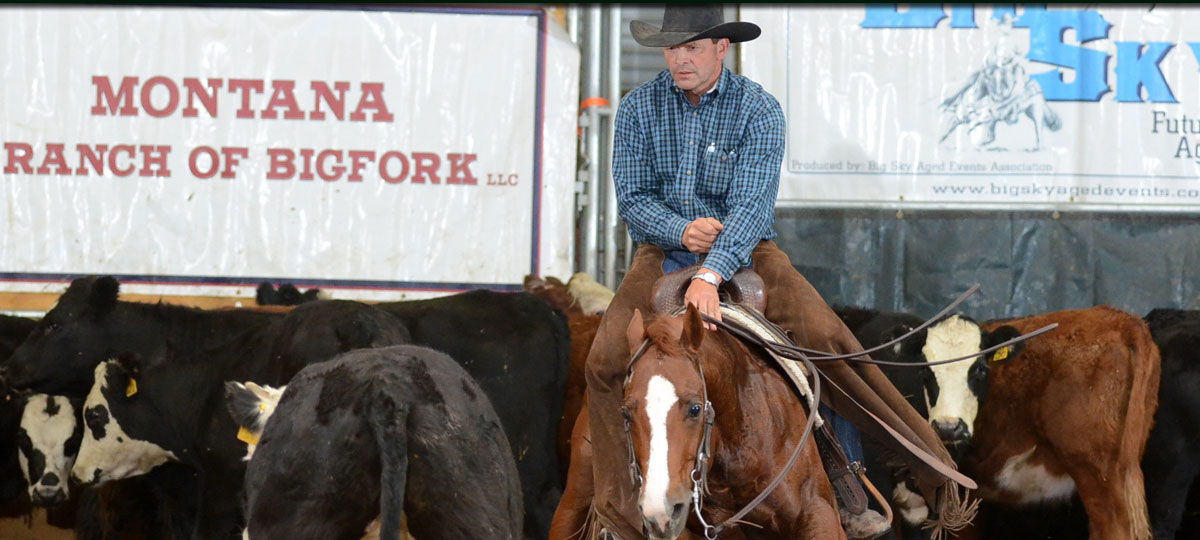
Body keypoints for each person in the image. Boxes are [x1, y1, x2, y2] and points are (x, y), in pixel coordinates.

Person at [578, 5, 975, 540]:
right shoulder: (637, 108)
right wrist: (679, 231)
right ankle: (621, 506)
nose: (679, 58)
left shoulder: (758, 109)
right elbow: (633, 199)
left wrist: (710, 271)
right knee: (604, 358)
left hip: (747, 249)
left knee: (825, 339)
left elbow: (753, 204)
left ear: (723, 48)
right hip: (662, 249)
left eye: (693, 47)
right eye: (673, 48)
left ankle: (881, 477)